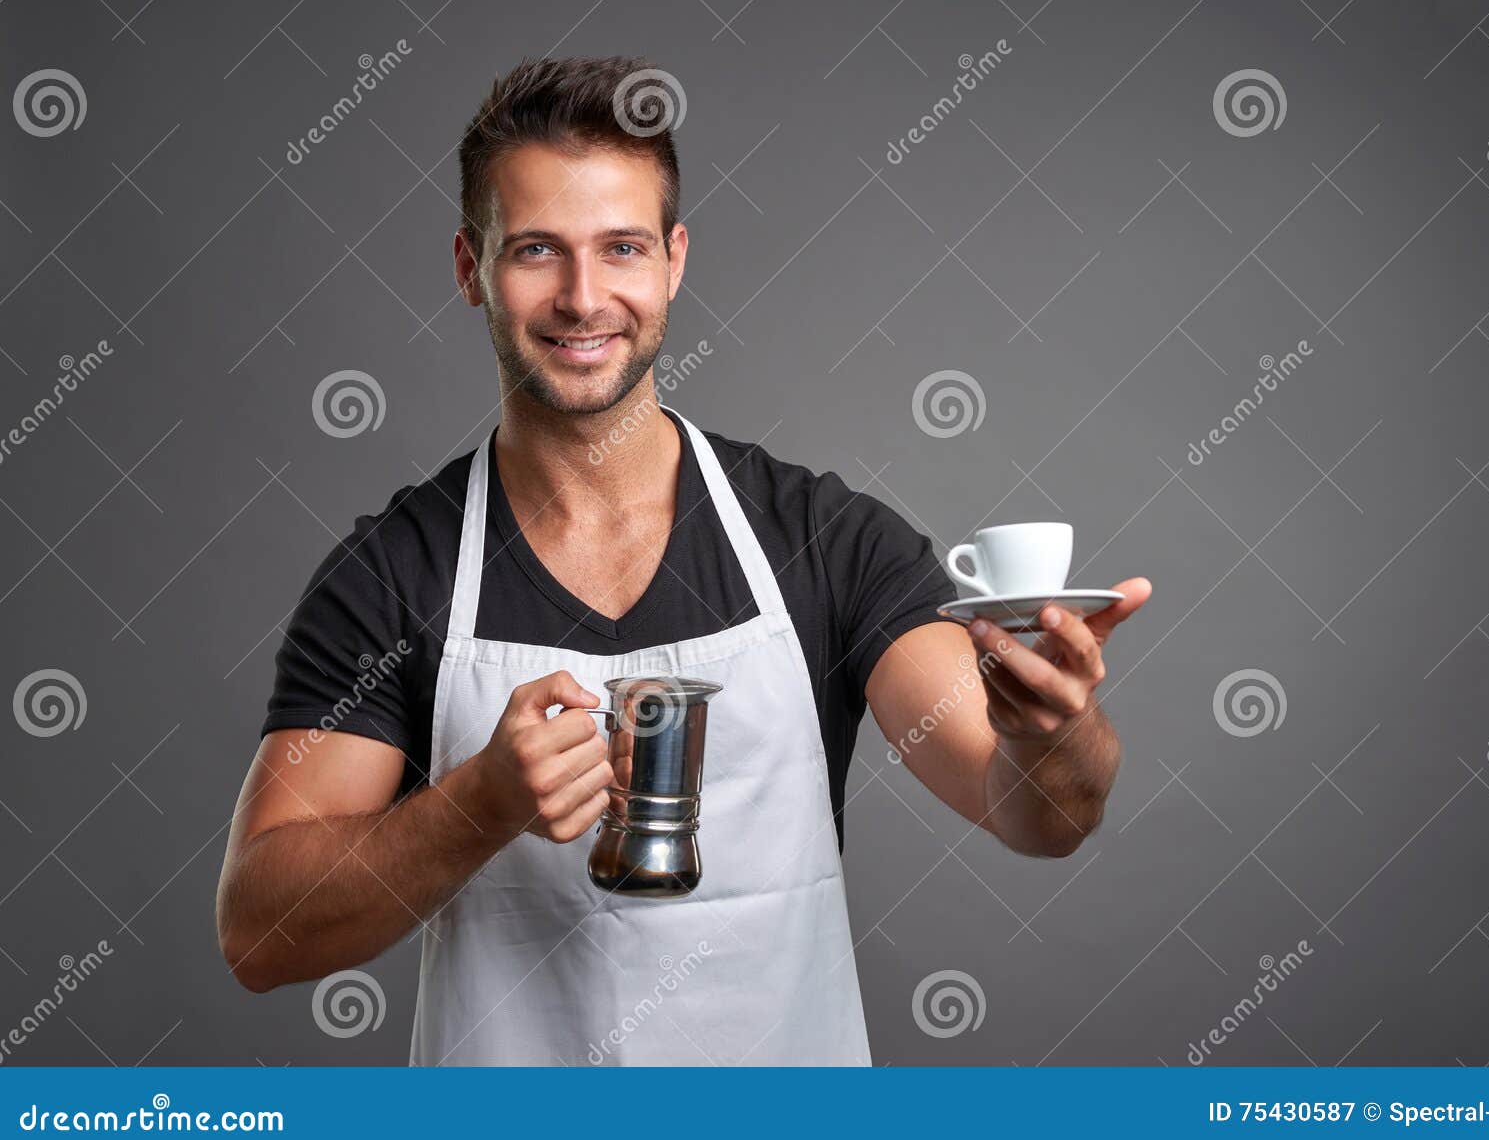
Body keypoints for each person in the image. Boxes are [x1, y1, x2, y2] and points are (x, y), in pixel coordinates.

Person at [214, 55, 1152, 1066]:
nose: (583, 298)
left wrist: (1054, 733)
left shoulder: (824, 539)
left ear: (672, 260)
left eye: (620, 247)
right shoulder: (394, 577)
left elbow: (1034, 815)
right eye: (536, 250)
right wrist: (476, 806)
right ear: (468, 267)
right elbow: (261, 934)